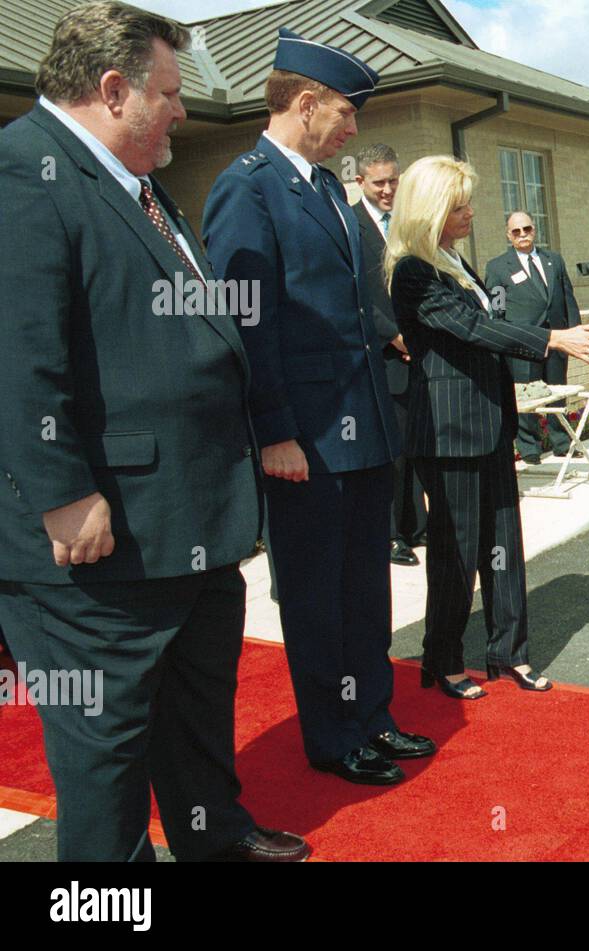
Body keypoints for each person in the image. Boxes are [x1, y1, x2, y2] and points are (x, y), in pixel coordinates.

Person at [0, 0, 307, 861]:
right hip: (98, 546)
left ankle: (217, 838)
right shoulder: (25, 172)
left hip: (183, 523)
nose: (183, 108)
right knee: (106, 767)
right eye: (170, 92)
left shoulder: (139, 183)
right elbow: (18, 356)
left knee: (195, 715)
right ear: (112, 89)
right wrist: (63, 493)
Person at [204, 28, 434, 786]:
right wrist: (274, 431)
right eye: (345, 113)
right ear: (305, 104)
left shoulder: (328, 188)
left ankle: (373, 713)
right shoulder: (247, 186)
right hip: (304, 438)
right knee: (315, 596)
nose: (354, 129)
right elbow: (248, 323)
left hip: (362, 427)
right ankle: (333, 736)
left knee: (366, 586)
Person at [386, 156, 589, 699]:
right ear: (432, 209)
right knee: (456, 551)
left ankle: (510, 652)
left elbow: (484, 324)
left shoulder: (453, 261)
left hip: (487, 422)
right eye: (459, 204)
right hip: (448, 431)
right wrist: (553, 340)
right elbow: (471, 327)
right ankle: (442, 660)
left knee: (504, 543)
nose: (470, 213)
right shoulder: (413, 270)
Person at [351, 143, 427, 566]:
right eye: (378, 182)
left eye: (393, 180)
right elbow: (356, 291)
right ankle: (391, 534)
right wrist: (393, 335)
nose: (387, 189)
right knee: (391, 451)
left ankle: (417, 524)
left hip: (418, 348)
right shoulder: (351, 224)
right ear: (360, 181)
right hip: (383, 352)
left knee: (415, 444)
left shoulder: (407, 223)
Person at [483, 211, 582, 464]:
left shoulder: (554, 260)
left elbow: (567, 297)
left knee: (557, 392)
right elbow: (497, 310)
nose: (522, 235)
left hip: (557, 338)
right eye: (516, 232)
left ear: (534, 230)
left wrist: (575, 332)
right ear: (509, 235)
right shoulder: (497, 267)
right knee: (526, 397)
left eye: (526, 229)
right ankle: (529, 449)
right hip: (523, 345)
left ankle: (561, 443)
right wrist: (504, 342)